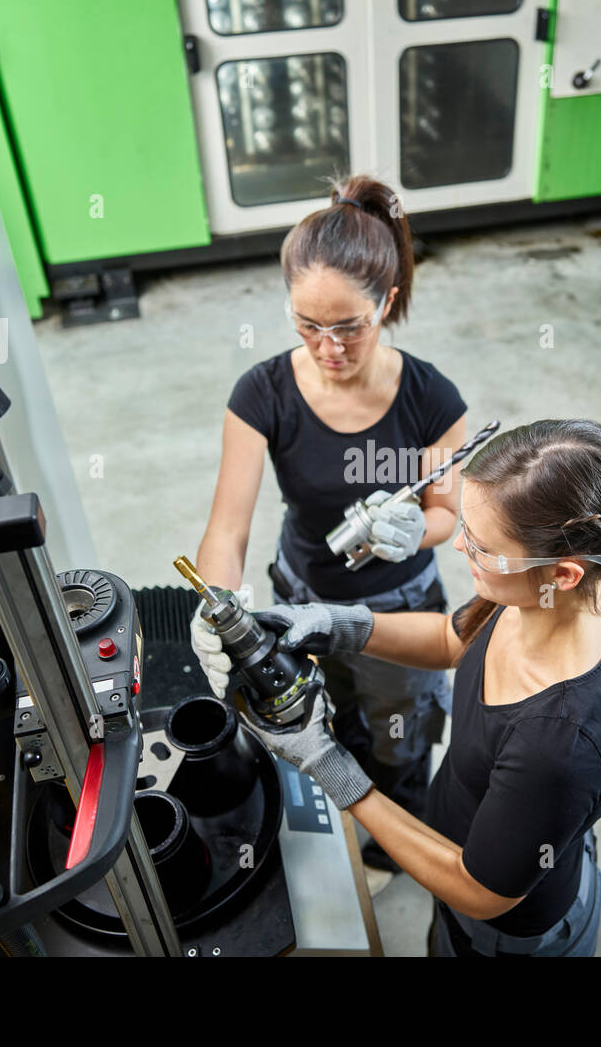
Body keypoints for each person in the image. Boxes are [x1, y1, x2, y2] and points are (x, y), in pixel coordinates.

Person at [247, 419, 601, 957]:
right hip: (485, 832)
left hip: (503, 931)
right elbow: (449, 638)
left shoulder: (557, 748)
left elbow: (477, 890)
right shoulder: (563, 590)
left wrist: (329, 765)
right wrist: (337, 624)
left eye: (480, 547)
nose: (458, 546)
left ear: (564, 573)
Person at [191, 174, 467, 872]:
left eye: (350, 326)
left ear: (389, 302)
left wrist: (417, 529)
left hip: (401, 611)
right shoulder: (262, 393)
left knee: (398, 740)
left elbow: (448, 514)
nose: (329, 348)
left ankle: (392, 853)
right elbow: (228, 527)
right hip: (303, 596)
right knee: (312, 723)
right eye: (308, 326)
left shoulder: (432, 398)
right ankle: (336, 841)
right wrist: (219, 599)